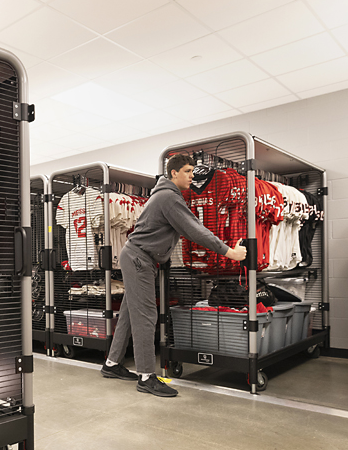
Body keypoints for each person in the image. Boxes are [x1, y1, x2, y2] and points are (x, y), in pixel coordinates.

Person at [101, 153, 246, 397]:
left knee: (129, 312)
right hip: (139, 259)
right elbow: (195, 230)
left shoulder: (166, 195)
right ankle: (146, 377)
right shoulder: (168, 197)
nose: (192, 176)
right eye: (188, 171)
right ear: (173, 173)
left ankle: (112, 363)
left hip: (138, 257)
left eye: (193, 172)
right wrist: (229, 252)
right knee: (146, 316)